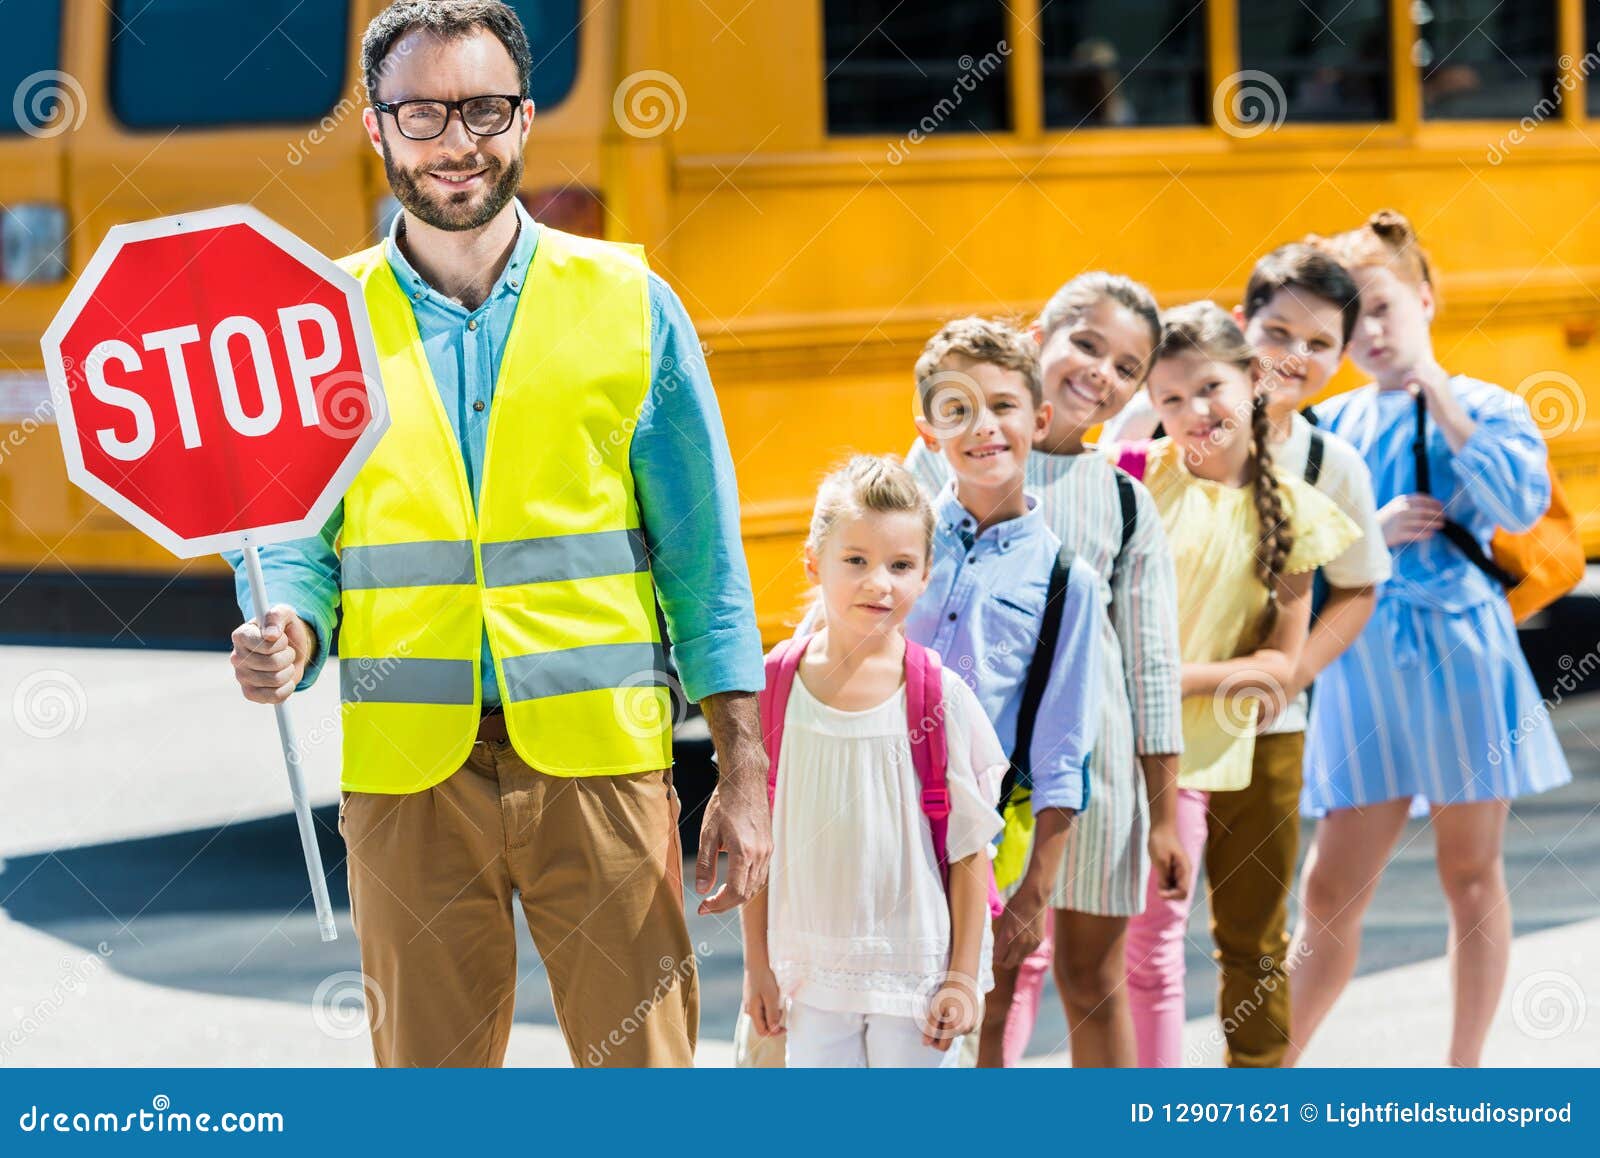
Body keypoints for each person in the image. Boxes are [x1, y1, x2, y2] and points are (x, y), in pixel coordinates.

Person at [224, 0, 769, 1067]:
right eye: (421, 114)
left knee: (644, 1083)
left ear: (523, 120)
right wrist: (285, 623)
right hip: (408, 775)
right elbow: (295, 536)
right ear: (376, 130)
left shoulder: (630, 304)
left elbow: (706, 567)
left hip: (601, 765)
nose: (456, 143)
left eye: (482, 109)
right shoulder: (318, 318)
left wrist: (745, 777)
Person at [1288, 211, 1573, 1067]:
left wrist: (1436, 393)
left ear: (1424, 298)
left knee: (1472, 875)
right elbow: (1292, 551)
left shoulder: (1493, 406)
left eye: (1382, 309)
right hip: (1362, 660)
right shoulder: (1326, 426)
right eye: (1350, 320)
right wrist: (1369, 529)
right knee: (1329, 887)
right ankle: (1267, 1072)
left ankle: (1462, 1076)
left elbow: (1520, 505)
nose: (1369, 334)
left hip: (1462, 653)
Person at [906, 276, 1187, 1067]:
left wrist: (1164, 815)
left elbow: (1152, 666)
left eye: (1127, 368)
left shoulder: (1126, 502)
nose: (1102, 372)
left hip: (1094, 782)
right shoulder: (944, 459)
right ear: (1040, 341)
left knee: (1092, 978)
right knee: (986, 984)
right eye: (1088, 345)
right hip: (974, 779)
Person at [1119, 302, 1359, 1067]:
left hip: (1225, 754)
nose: (1194, 413)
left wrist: (1160, 679)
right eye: (1170, 399)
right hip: (1129, 760)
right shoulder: (1130, 481)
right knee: (1129, 952)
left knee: (1249, 945)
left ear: (1254, 379)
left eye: (1211, 389)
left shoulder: (1296, 510)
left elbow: (1283, 668)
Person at [740, 457, 1005, 1067]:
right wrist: (758, 964)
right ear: (814, 560)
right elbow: (755, 843)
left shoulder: (939, 696)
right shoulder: (770, 691)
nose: (878, 582)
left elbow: (969, 851)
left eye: (900, 565)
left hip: (916, 977)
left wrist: (963, 977)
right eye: (855, 560)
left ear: (925, 574)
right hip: (806, 978)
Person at [1199, 245, 1389, 1066]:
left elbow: (1358, 587)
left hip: (1266, 731)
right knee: (1133, 934)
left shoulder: (1329, 462)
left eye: (1321, 344)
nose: (1296, 358)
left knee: (1254, 934)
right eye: (1278, 332)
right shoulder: (1171, 423)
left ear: (1343, 354)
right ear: (1241, 327)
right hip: (1151, 716)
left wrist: (1295, 674)